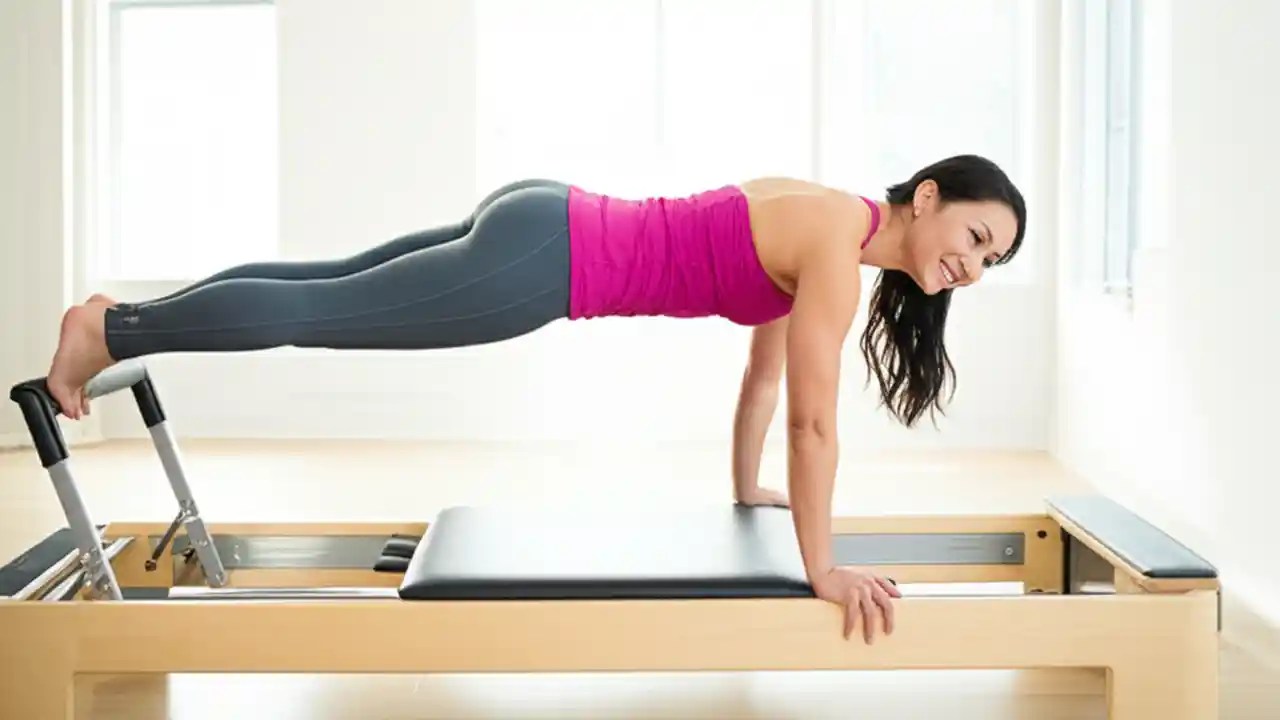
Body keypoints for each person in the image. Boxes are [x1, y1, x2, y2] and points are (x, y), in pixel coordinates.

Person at [44, 153, 1026, 644]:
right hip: (546, 262)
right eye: (977, 240)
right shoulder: (834, 255)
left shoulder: (828, 221)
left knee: (324, 282)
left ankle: (122, 316)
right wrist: (821, 570)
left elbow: (767, 380)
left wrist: (747, 494)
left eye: (992, 265)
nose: (972, 270)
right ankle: (112, 333)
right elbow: (814, 423)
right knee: (323, 309)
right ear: (929, 196)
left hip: (542, 212)